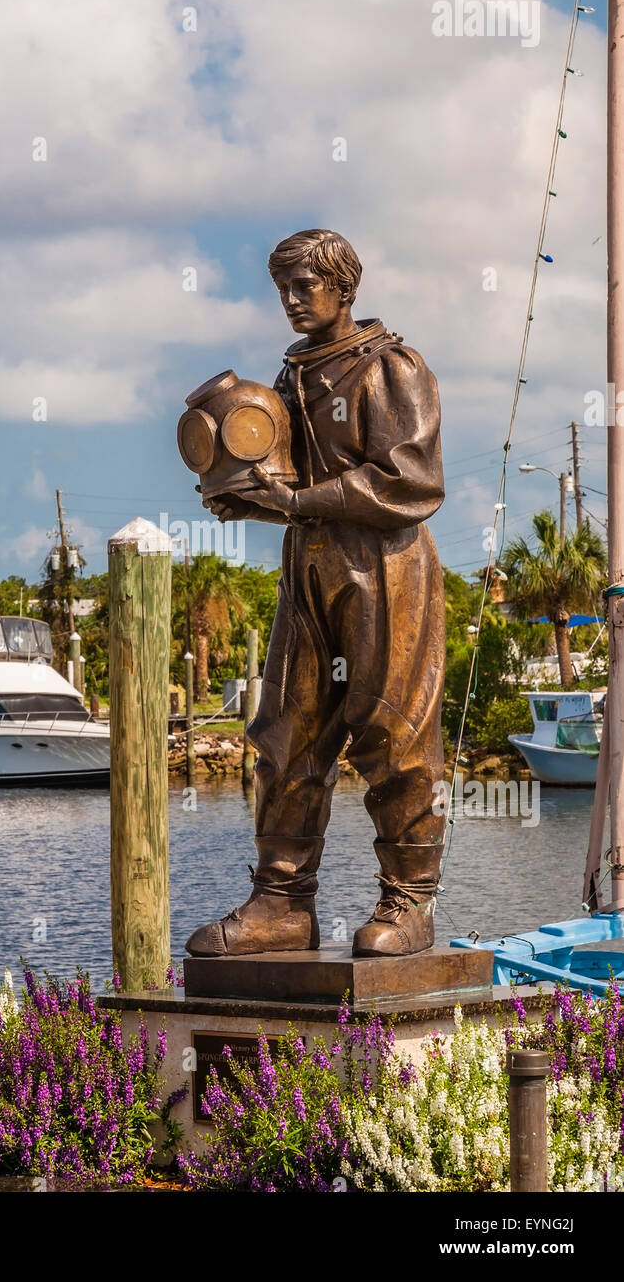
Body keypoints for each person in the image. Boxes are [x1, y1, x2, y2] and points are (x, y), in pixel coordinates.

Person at [185, 229, 446, 959]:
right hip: (311, 565)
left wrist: (295, 505)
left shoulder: (391, 367)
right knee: (287, 731)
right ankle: (282, 901)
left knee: (393, 729)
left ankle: (410, 901)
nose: (293, 302)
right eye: (283, 291)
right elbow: (298, 485)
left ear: (344, 288)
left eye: (306, 287)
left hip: (385, 568)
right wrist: (255, 501)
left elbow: (411, 481)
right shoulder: (294, 376)